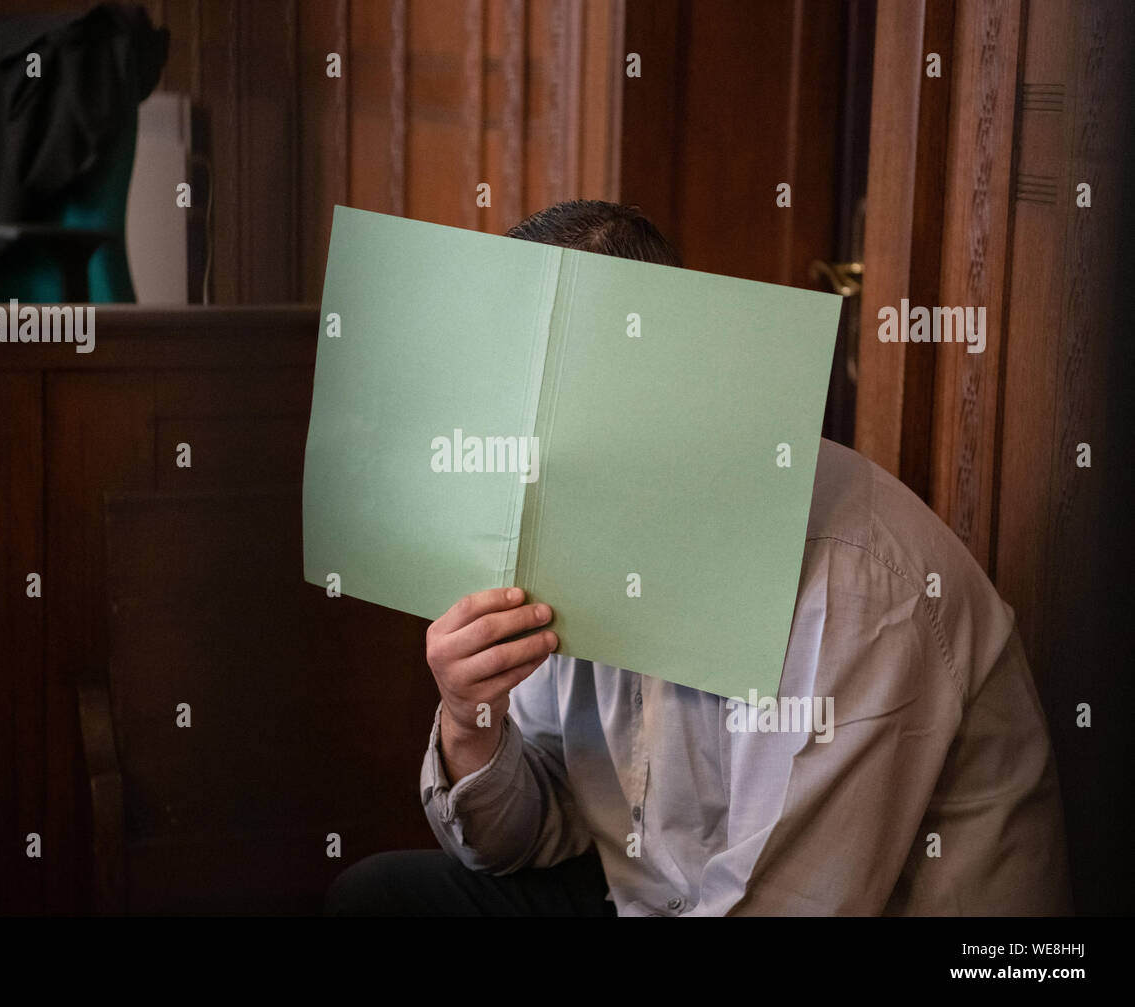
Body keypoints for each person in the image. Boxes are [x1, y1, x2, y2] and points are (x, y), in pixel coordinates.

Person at [324, 199, 1072, 916]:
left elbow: (788, 904)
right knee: (380, 898)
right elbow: (528, 834)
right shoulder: (568, 510)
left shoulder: (857, 582)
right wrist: (470, 720)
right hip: (656, 897)